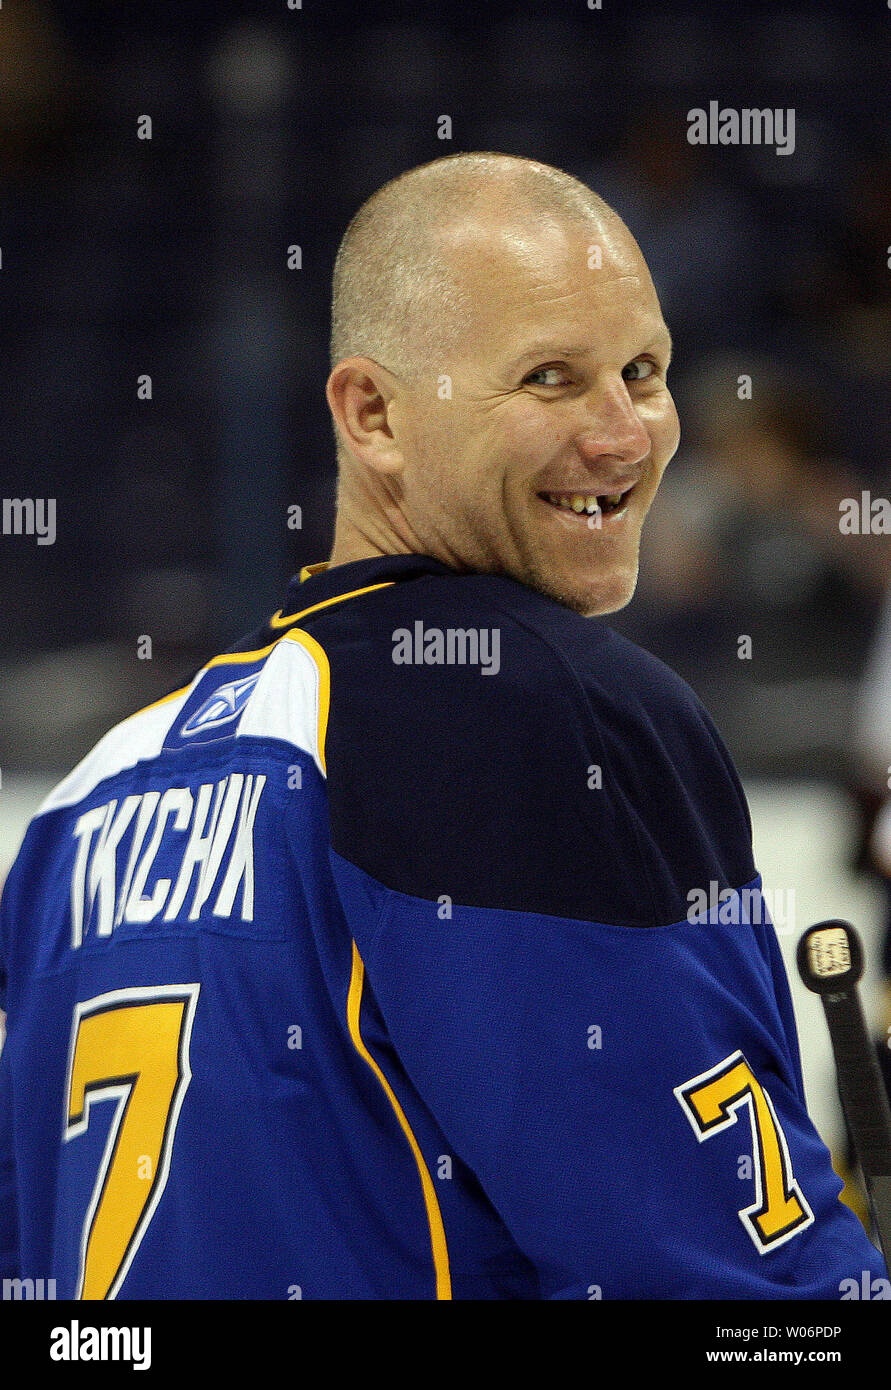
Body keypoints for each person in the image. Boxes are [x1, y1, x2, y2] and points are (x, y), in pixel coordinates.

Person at [0, 152, 885, 1300]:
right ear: (371, 413)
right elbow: (727, 1292)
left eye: (645, 371)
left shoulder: (87, 800)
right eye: (552, 380)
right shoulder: (535, 711)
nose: (628, 436)